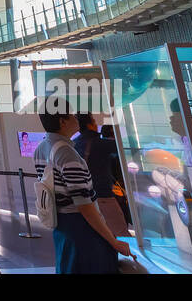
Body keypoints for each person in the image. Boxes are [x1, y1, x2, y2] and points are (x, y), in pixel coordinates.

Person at [34, 101, 130, 274]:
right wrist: (113, 241)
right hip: (83, 231)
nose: (75, 117)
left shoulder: (41, 149)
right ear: (62, 121)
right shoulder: (67, 154)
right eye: (71, 114)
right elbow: (84, 206)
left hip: (62, 227)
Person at [73, 113, 128, 239]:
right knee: (120, 233)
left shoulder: (74, 144)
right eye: (93, 121)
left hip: (85, 198)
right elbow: (123, 149)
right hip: (103, 196)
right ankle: (126, 258)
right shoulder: (100, 144)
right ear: (90, 124)